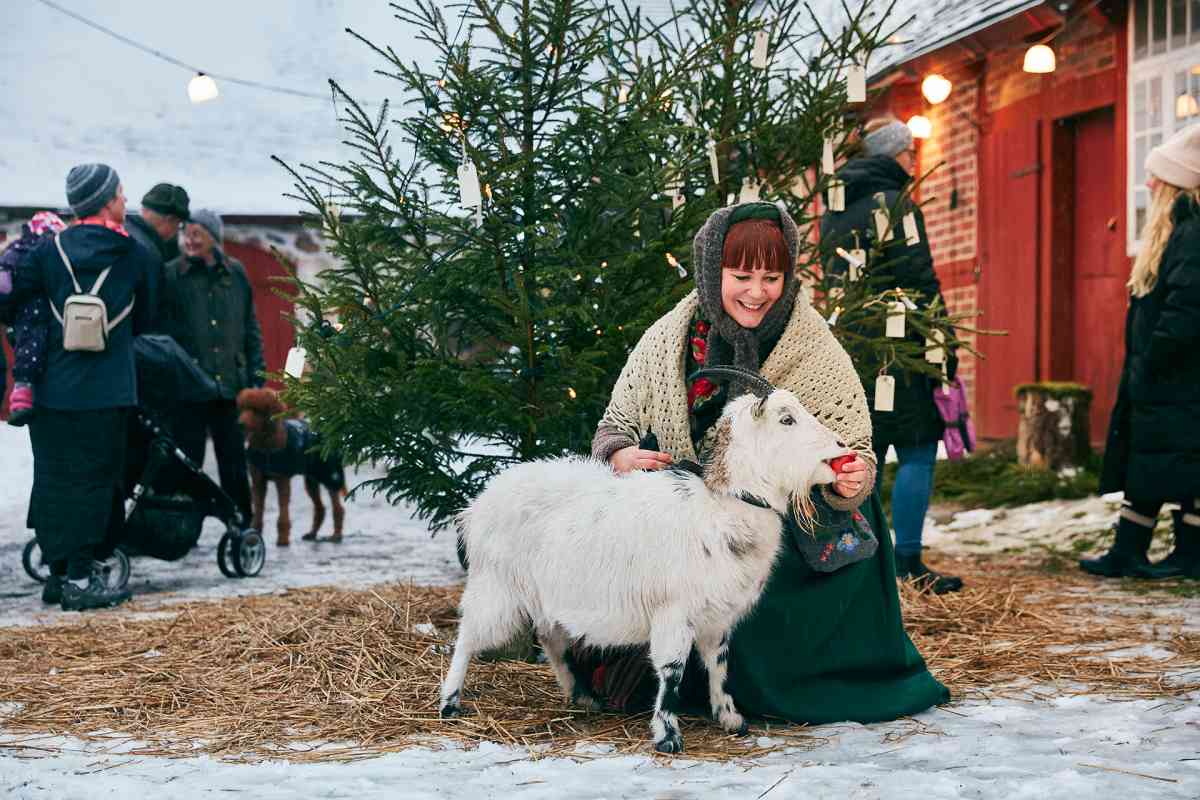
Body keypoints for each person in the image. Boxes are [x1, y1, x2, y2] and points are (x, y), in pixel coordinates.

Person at [587, 201, 948, 724]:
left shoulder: (809, 344)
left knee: (765, 573)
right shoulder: (668, 339)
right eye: (741, 276)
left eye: (771, 277)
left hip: (789, 521)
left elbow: (854, 451)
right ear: (714, 273)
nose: (757, 292)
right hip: (693, 518)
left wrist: (848, 480)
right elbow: (613, 425)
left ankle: (794, 681)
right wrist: (620, 454)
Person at [819, 116, 963, 594]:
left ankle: (863, 559)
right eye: (908, 151)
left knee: (869, 448)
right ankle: (907, 562)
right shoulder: (895, 202)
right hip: (902, 345)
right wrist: (943, 343)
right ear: (893, 154)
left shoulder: (834, 208)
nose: (913, 159)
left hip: (854, 345)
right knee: (919, 447)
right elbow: (919, 277)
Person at [20, 164, 153, 610]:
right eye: (120, 193)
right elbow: (151, 316)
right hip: (107, 388)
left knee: (55, 480)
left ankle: (58, 575)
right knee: (97, 482)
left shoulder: (45, 251)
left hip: (52, 389)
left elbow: (22, 304)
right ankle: (82, 576)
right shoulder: (136, 255)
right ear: (106, 199)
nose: (124, 200)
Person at [1080, 125, 1200, 580]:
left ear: (1179, 185)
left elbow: (1187, 308)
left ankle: (1162, 553)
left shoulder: (1190, 234)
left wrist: (1153, 360)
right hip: (1170, 377)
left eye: (1157, 177)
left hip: (1177, 377)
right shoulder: (1179, 231)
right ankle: (1141, 551)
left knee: (1173, 461)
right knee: (1163, 460)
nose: (1148, 184)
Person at [162, 209, 263, 524]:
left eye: (197, 233)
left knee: (233, 463)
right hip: (189, 388)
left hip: (230, 387)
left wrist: (256, 376)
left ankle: (242, 527)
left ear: (213, 237)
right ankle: (185, 528)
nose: (189, 240)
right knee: (188, 463)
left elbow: (250, 329)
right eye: (186, 234)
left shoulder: (236, 274)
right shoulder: (171, 276)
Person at [1, 212, 67, 426]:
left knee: (26, 348)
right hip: (39, 312)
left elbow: (4, 281)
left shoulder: (15, 250)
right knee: (31, 350)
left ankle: (21, 398)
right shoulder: (54, 252)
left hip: (23, 313)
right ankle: (21, 399)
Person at [125, 183, 189, 332]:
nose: (176, 233)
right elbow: (149, 317)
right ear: (170, 220)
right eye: (178, 225)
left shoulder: (120, 233)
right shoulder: (150, 254)